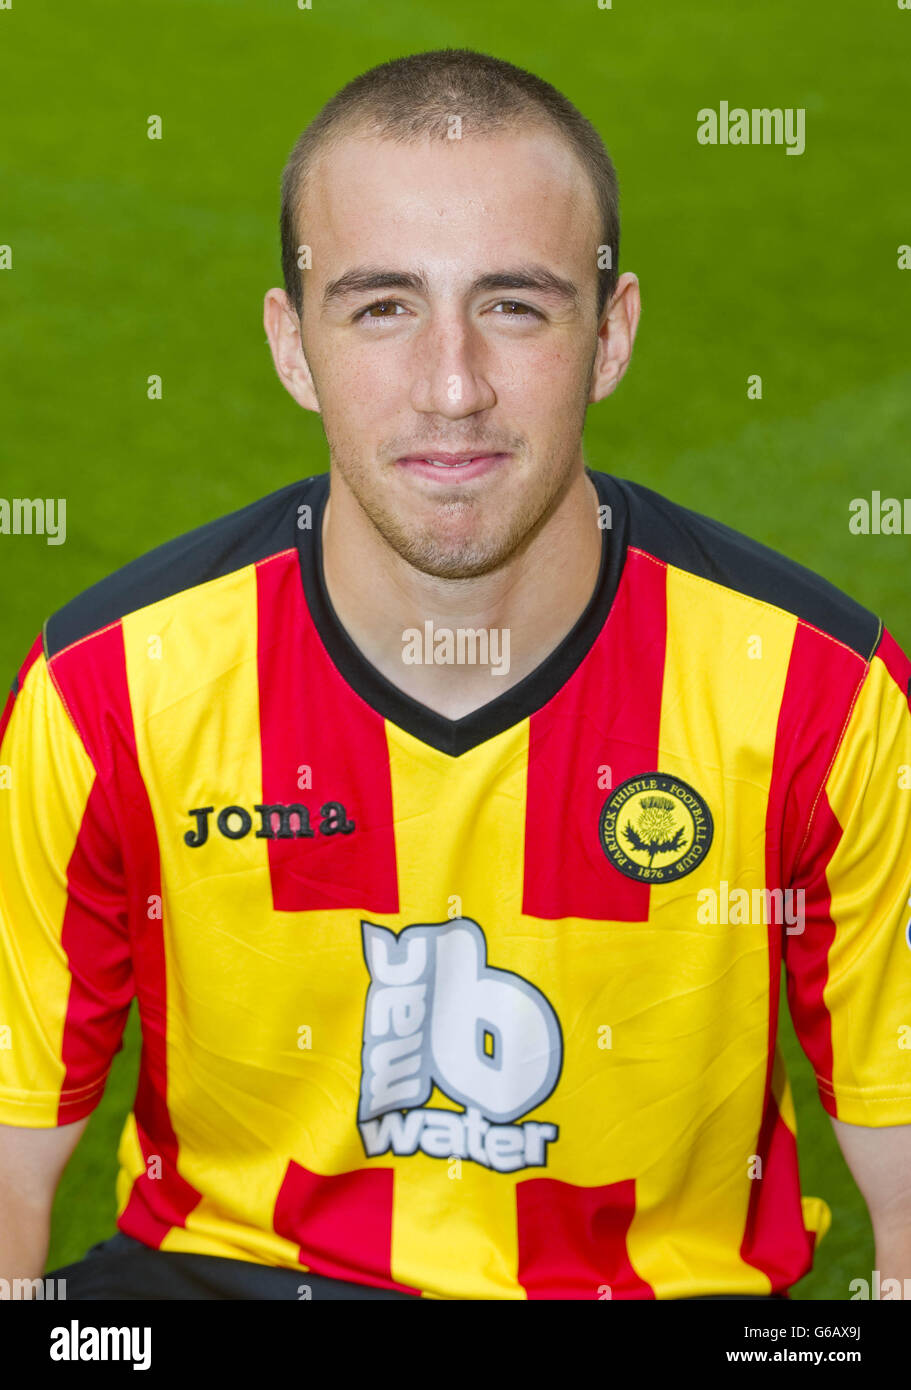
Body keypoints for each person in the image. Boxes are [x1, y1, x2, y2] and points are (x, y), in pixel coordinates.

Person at [1, 48, 909, 1302]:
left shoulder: (819, 694)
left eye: (514, 306)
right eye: (381, 307)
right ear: (292, 346)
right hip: (229, 1283)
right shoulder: (106, 687)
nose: (451, 386)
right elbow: (11, 1162)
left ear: (609, 336)